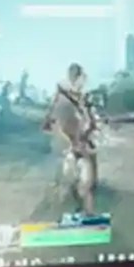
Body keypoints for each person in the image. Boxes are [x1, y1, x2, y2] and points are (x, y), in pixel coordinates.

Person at [43, 63, 98, 214]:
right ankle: (71, 214)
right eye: (82, 78)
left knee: (84, 185)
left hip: (80, 146)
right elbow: (52, 125)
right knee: (72, 184)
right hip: (68, 148)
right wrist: (68, 142)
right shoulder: (63, 100)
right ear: (76, 78)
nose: (85, 81)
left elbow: (90, 121)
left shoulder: (80, 98)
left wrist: (89, 130)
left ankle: (86, 214)